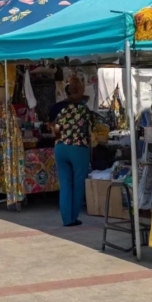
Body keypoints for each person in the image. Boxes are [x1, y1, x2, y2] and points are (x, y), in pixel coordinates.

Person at [49, 75, 95, 227]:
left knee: (65, 184)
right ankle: (73, 218)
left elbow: (55, 131)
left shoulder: (61, 110)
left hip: (61, 148)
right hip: (78, 148)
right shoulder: (85, 110)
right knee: (78, 184)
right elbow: (92, 130)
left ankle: (66, 219)